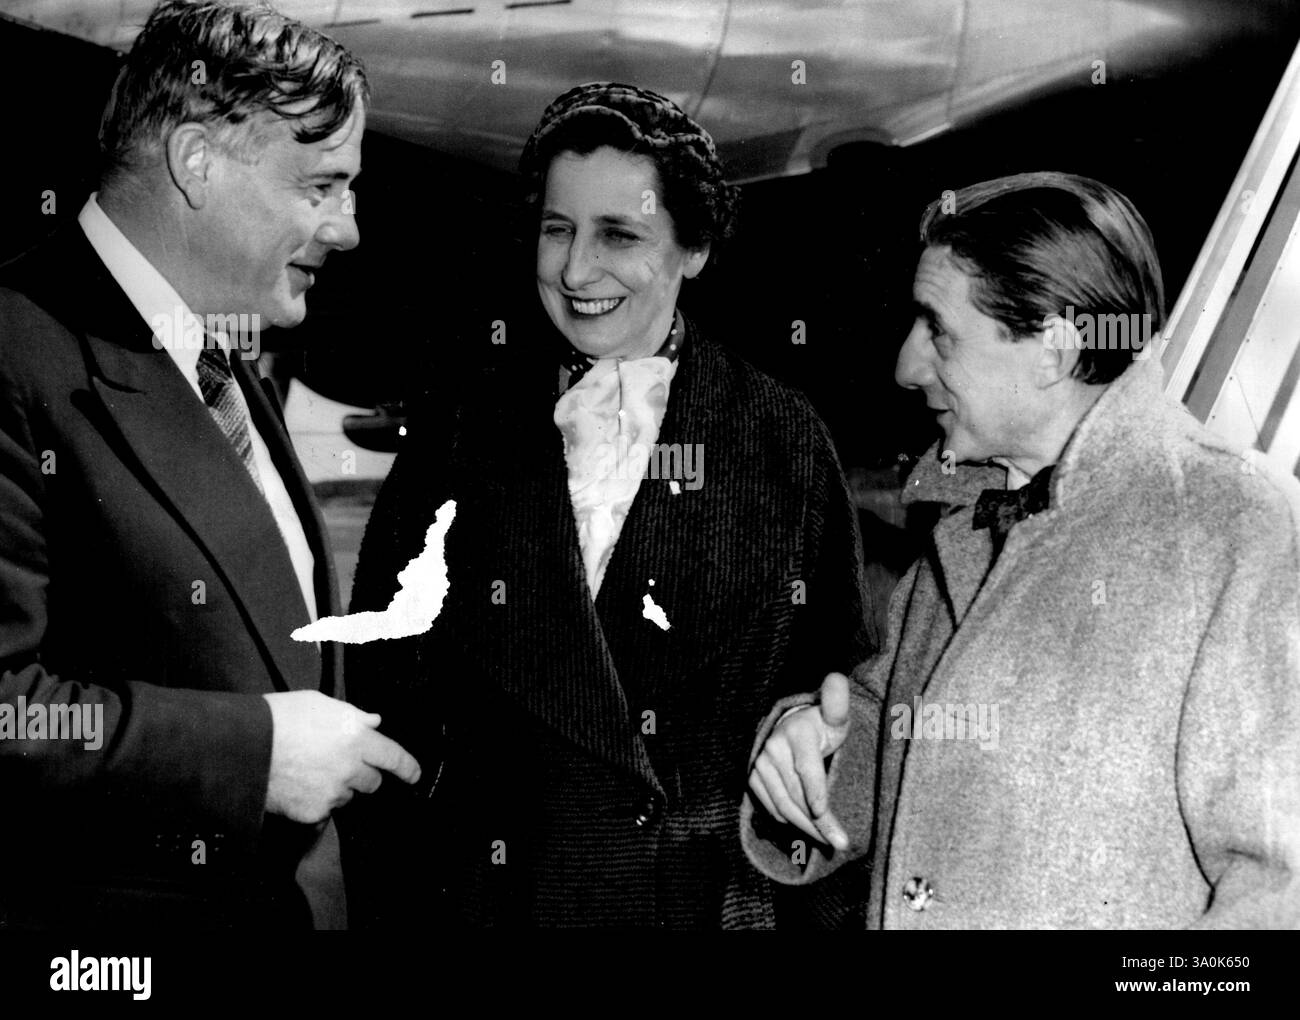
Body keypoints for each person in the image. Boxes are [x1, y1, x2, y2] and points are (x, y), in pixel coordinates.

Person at [343, 82, 876, 929]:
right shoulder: (459, 432)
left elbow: (837, 689)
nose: (575, 271)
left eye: (618, 235)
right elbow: (383, 704)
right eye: (558, 229)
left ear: (695, 249)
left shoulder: (785, 438)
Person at [743, 171, 1300, 928]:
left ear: (1054, 348)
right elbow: (904, 732)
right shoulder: (971, 519)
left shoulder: (1232, 529)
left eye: (938, 329)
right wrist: (814, 750)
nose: (906, 367)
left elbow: (1280, 889)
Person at [0, 0, 419, 930]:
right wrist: (252, 753)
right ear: (196, 161)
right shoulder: (15, 352)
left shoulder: (213, 347)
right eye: (321, 186)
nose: (347, 228)